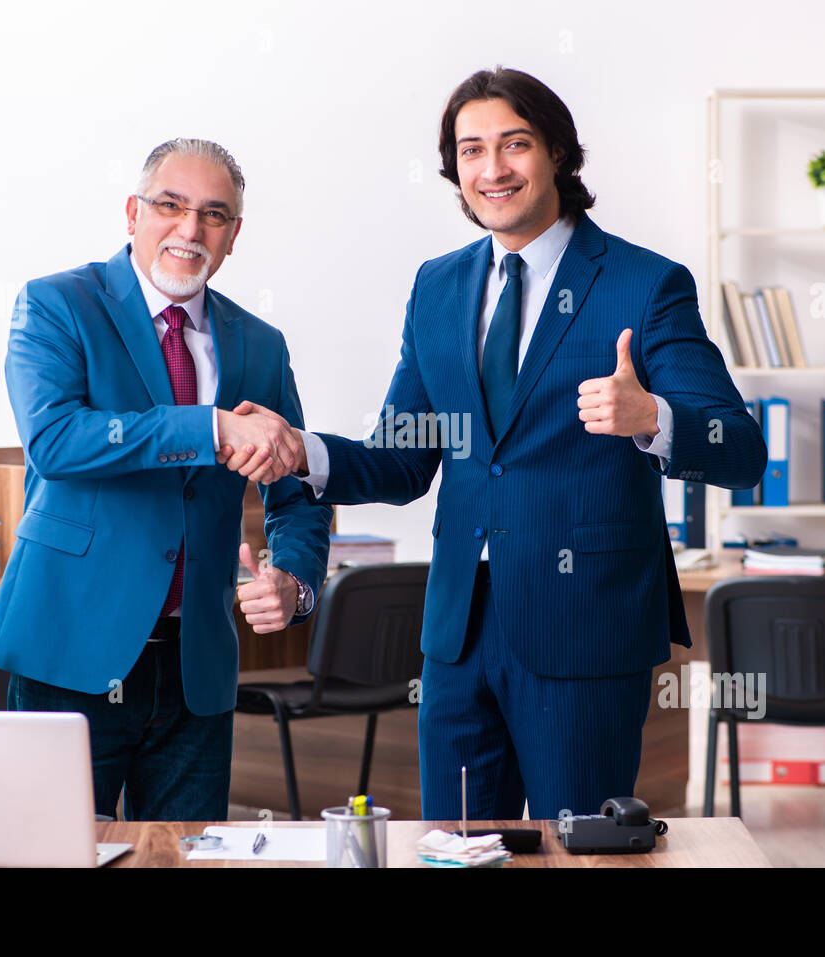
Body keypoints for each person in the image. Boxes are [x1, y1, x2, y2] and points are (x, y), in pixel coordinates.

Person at [221, 69, 766, 821]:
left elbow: (741, 449)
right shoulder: (438, 286)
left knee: (581, 846)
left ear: (558, 155)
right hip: (457, 633)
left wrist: (653, 418)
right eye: (471, 150)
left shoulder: (644, 283)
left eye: (514, 144)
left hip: (584, 627)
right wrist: (302, 451)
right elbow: (407, 453)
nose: (492, 168)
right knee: (455, 842)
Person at [0, 138, 332, 821]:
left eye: (213, 214)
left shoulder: (259, 345)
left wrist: (294, 580)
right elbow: (56, 441)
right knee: (50, 856)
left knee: (187, 861)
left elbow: (297, 489)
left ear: (233, 235)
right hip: (68, 652)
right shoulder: (57, 305)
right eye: (170, 205)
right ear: (132, 213)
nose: (189, 229)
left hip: (194, 666)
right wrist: (210, 428)